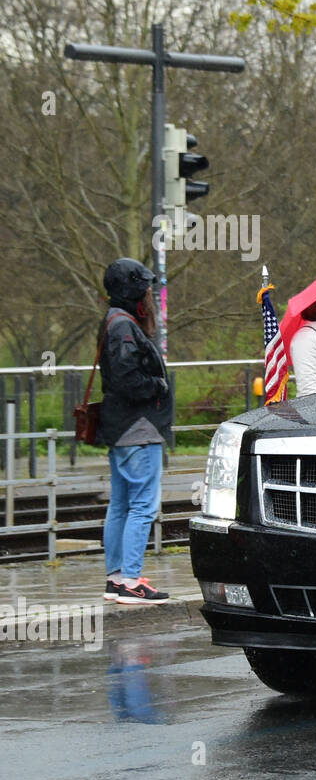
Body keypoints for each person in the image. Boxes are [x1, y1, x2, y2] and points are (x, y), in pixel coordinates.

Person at [99, 259, 173, 605]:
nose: (149, 296)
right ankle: (130, 581)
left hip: (122, 428)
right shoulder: (124, 327)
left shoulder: (114, 321)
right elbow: (128, 379)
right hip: (138, 429)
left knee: (121, 504)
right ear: (132, 291)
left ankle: (116, 579)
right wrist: (158, 385)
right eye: (145, 290)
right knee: (142, 506)